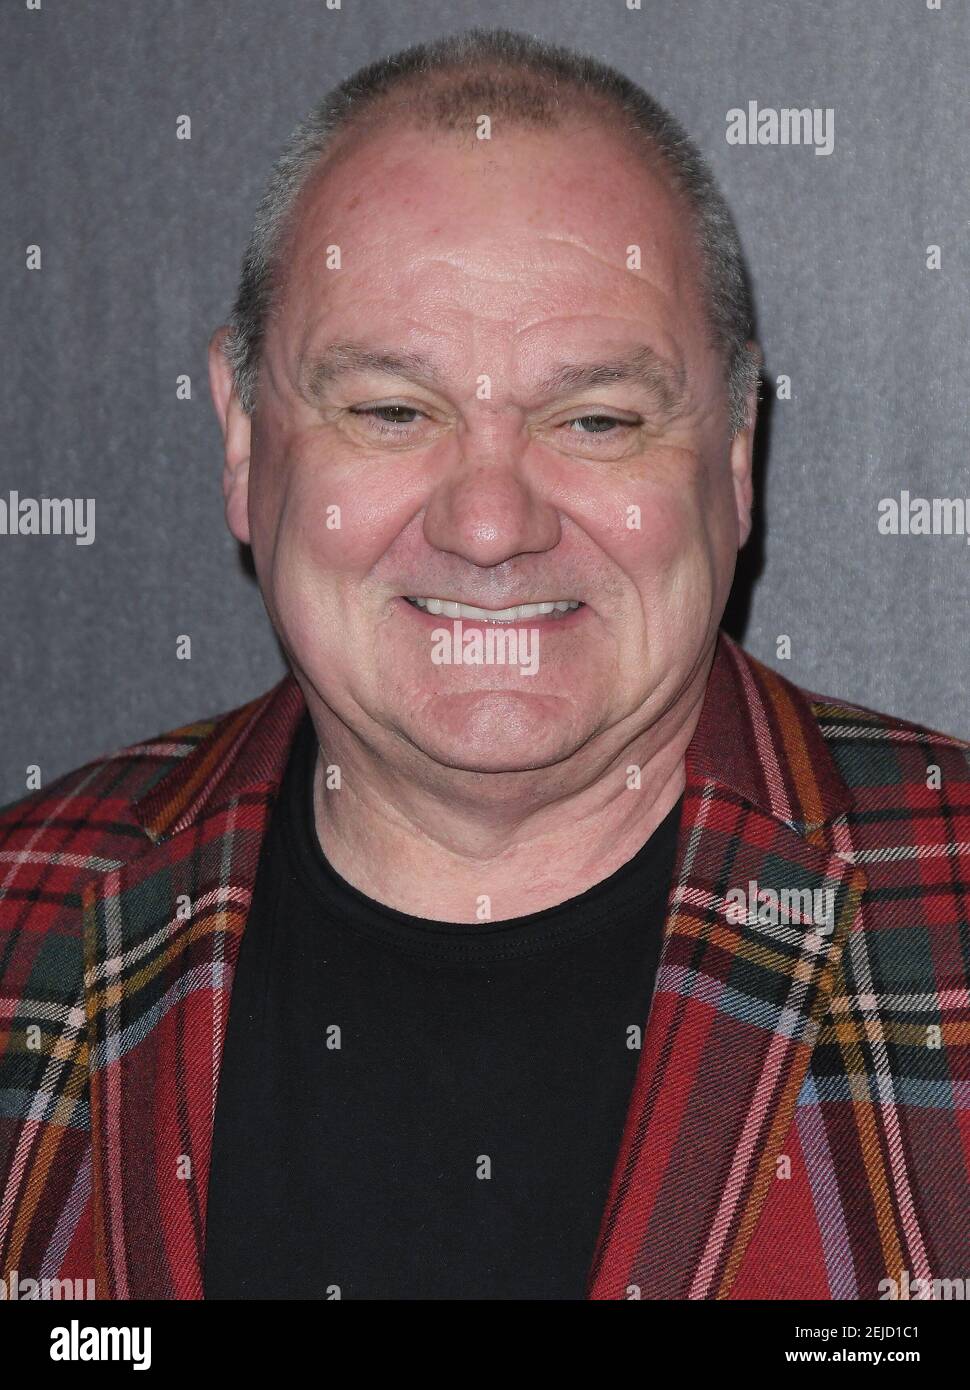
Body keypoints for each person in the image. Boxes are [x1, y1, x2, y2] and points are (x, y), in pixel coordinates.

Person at [1, 28, 968, 1302]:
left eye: (597, 419)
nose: (490, 522)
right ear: (243, 435)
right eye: (392, 410)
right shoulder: (23, 927)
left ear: (736, 451)